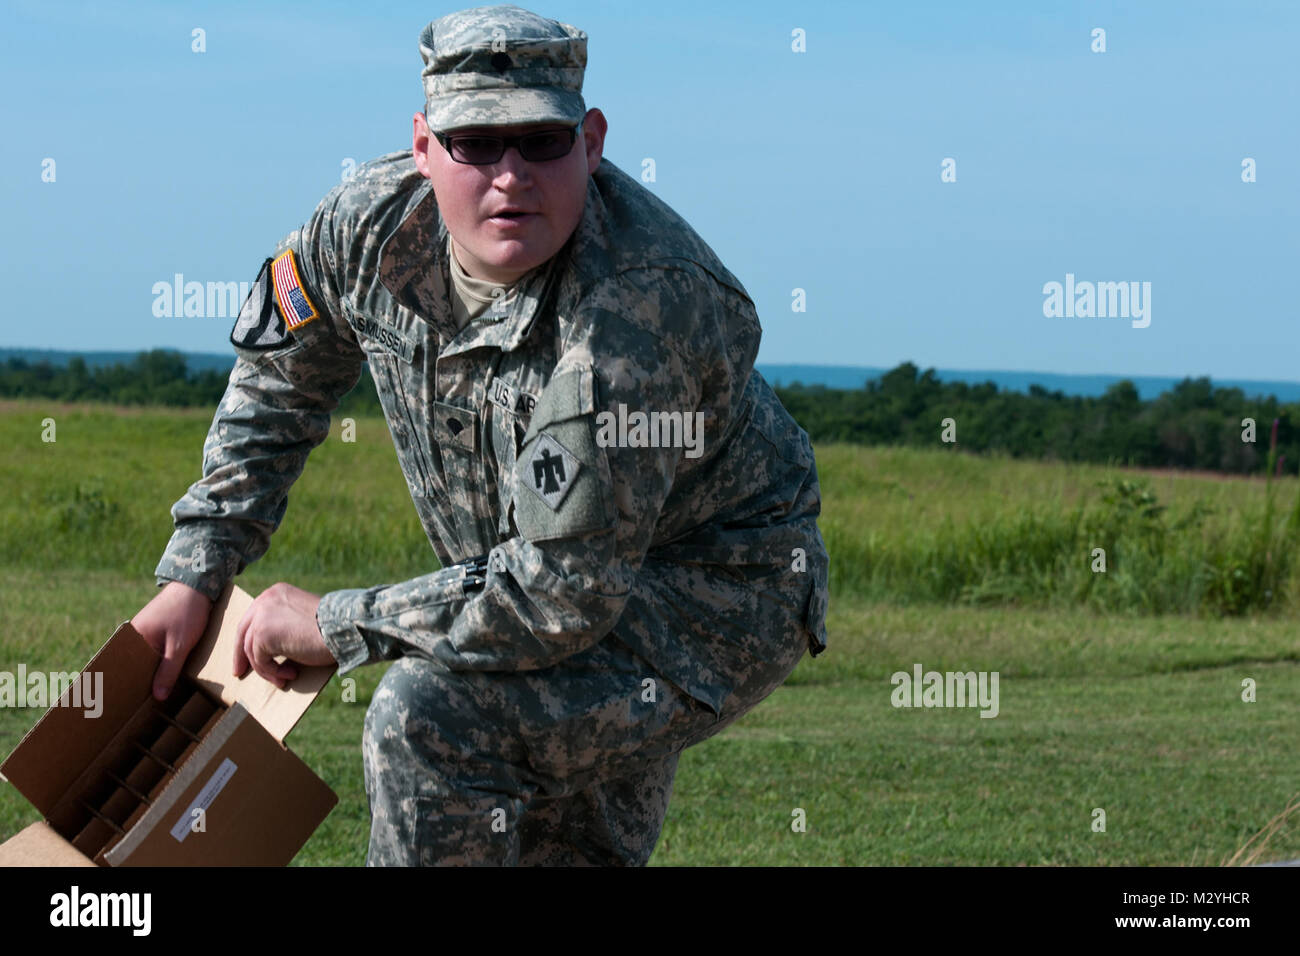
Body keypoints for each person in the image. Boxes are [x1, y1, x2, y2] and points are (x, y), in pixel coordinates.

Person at [130, 3, 829, 866]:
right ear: (423, 147)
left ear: (592, 142)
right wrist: (198, 566)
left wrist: (339, 623)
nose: (511, 175)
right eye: (475, 144)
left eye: (541, 141)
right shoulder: (367, 230)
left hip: (706, 598)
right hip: (528, 576)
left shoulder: (634, 316)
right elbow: (280, 383)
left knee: (430, 721)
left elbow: (559, 596)